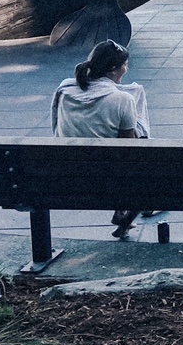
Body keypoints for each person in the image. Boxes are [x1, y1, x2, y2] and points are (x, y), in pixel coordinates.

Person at [50, 40, 145, 239]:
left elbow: (56, 127)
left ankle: (122, 215)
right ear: (113, 70)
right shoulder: (122, 99)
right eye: (125, 65)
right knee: (152, 169)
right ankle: (125, 218)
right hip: (106, 181)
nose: (126, 69)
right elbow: (130, 150)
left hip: (65, 176)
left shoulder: (64, 89)